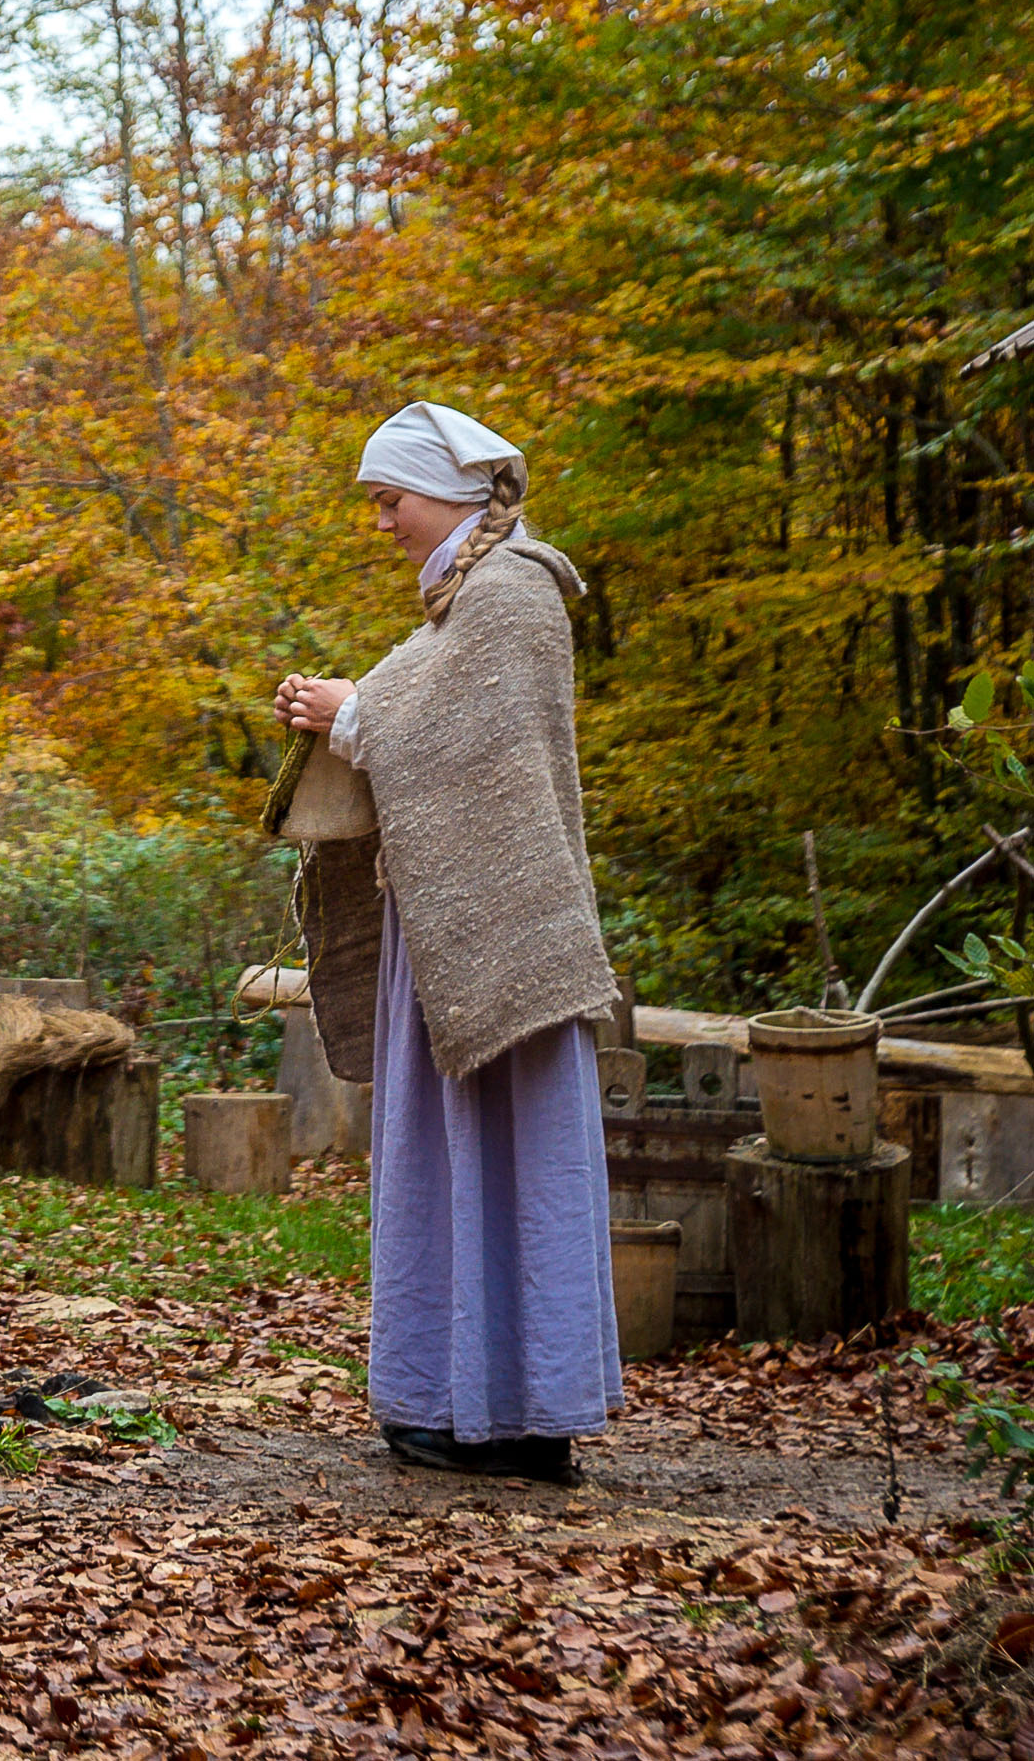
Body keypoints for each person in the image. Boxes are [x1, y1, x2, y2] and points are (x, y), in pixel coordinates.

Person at [275, 402, 623, 1486]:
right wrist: (337, 710)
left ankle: (521, 1413)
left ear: (454, 494)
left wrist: (349, 714)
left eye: (390, 499)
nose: (380, 520)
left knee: (515, 1166)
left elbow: (470, 746)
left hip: (504, 939)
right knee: (446, 1168)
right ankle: (448, 1401)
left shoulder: (513, 594)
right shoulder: (457, 603)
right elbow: (416, 717)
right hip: (444, 933)